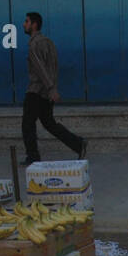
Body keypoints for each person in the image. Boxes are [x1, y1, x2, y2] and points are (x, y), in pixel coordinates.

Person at [21, 12, 86, 166]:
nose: (24, 24)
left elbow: (40, 68)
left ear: (34, 24)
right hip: (46, 92)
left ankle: (33, 156)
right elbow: (54, 67)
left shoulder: (34, 44)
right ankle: (78, 144)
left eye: (27, 21)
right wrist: (52, 87)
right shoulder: (49, 42)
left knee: (27, 124)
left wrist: (51, 88)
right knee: (49, 123)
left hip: (36, 90)